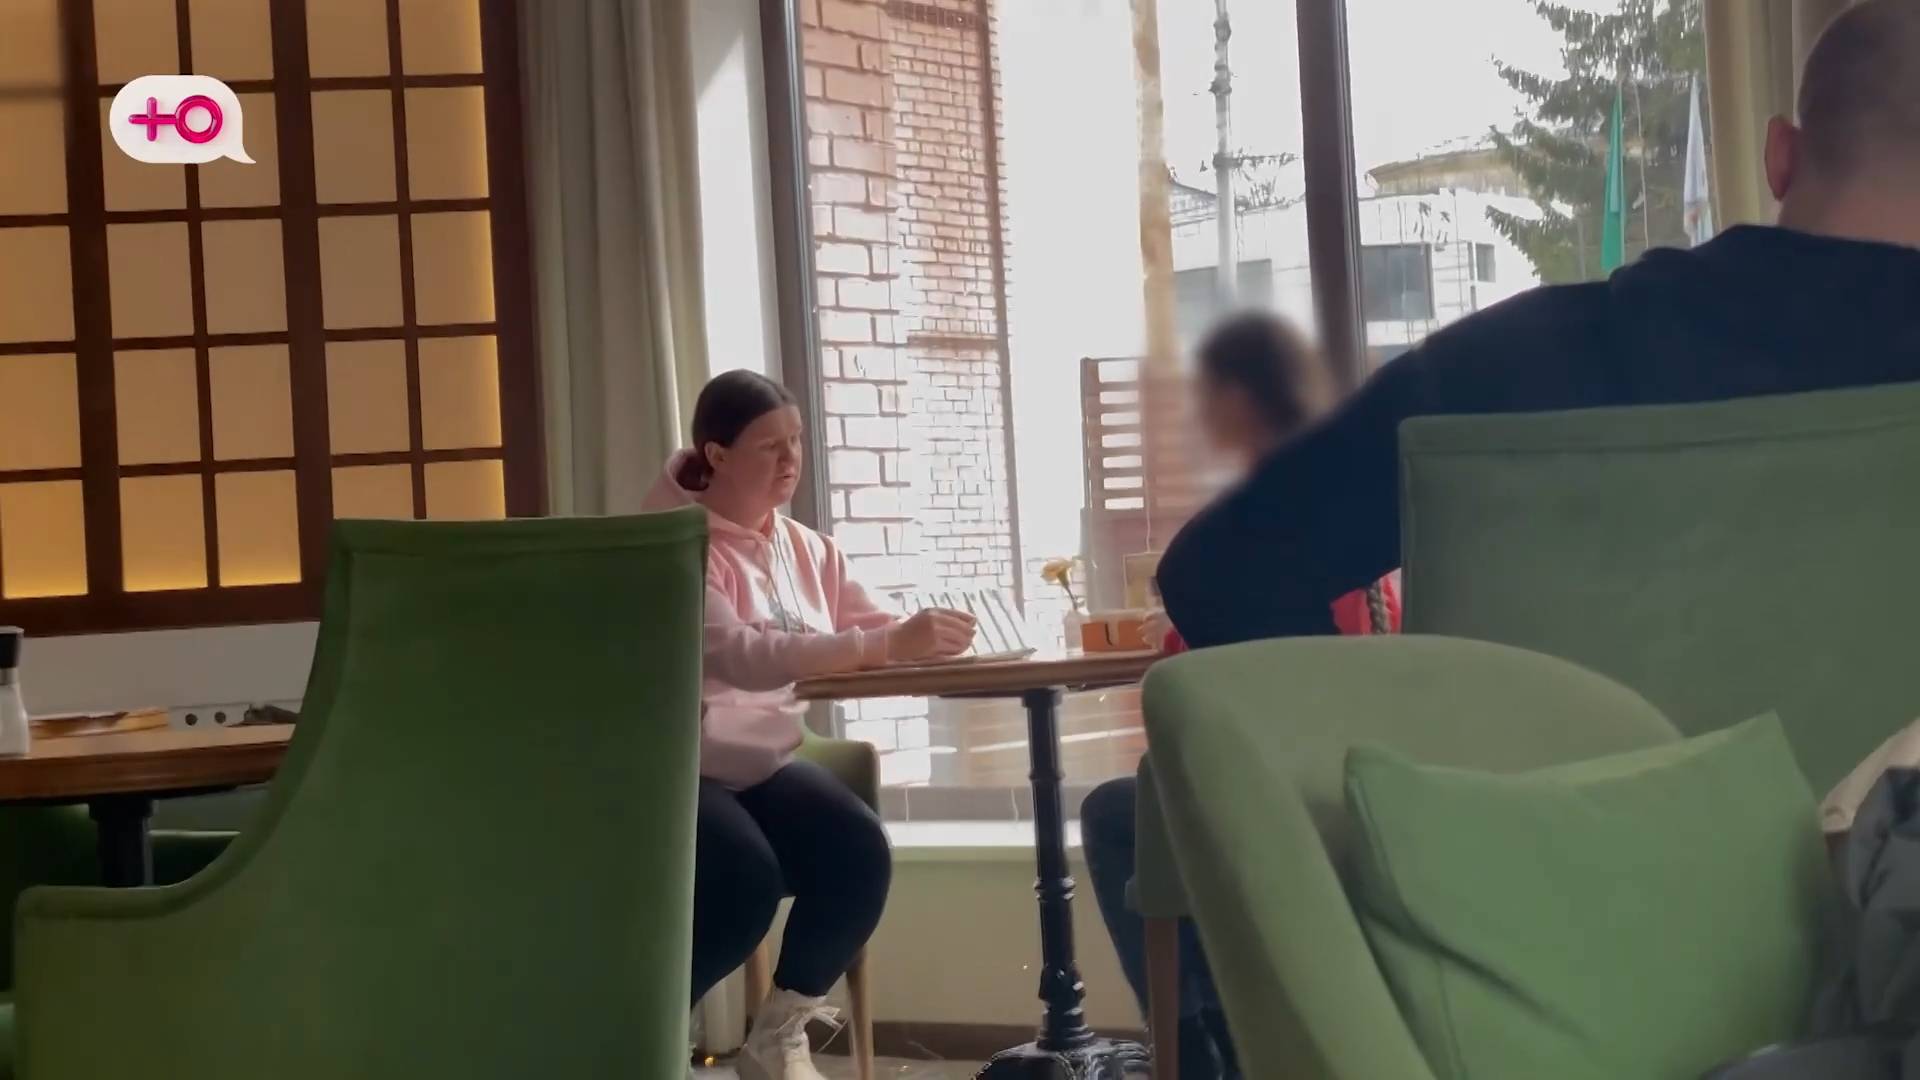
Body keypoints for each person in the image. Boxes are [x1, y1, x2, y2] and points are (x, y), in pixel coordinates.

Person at [1158, 0, 1920, 650]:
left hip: (1565, 784)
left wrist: (1379, 741)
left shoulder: (1512, 367)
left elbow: (1219, 570)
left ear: (1780, 156)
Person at [1084, 312, 1398, 1080]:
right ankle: (1221, 1038)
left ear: (1234, 399)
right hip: (1367, 774)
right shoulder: (1348, 513)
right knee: (1155, 808)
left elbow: (1225, 688)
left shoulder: (1258, 528)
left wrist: (1177, 639)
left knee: (1121, 814)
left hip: (1294, 785)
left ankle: (1200, 1047)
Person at [644, 370, 976, 1080]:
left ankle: (777, 1037)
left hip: (759, 762)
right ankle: (642, 1032)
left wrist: (935, 636)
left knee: (859, 850)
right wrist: (888, 643)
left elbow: (877, 628)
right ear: (717, 454)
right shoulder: (672, 547)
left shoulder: (806, 547)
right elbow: (742, 656)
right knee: (744, 880)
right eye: (770, 446)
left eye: (796, 441)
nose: (791, 459)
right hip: (672, 762)